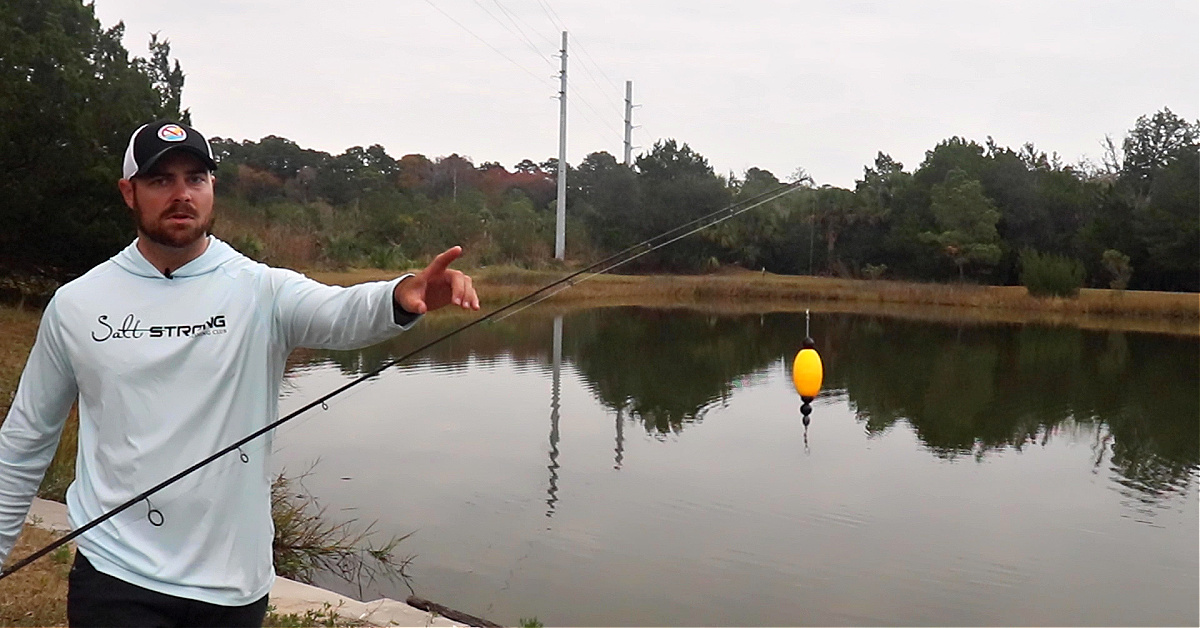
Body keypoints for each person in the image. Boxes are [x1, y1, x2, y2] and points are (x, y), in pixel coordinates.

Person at [0, 120, 479, 626]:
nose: (181, 194)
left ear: (212, 189)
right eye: (161, 180)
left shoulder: (259, 289)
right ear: (129, 192)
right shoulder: (77, 303)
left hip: (231, 589)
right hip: (116, 574)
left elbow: (339, 311)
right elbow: (26, 439)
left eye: (195, 178)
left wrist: (400, 295)